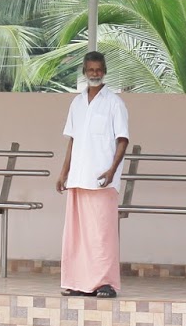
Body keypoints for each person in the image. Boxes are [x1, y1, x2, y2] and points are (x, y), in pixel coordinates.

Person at [55, 51, 130, 298]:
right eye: (90, 70)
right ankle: (78, 282)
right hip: (77, 178)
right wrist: (63, 172)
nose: (95, 74)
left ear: (104, 71)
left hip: (101, 181)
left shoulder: (114, 103)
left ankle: (105, 283)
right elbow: (72, 141)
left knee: (102, 235)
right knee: (77, 236)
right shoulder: (76, 103)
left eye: (98, 69)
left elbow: (123, 140)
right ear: (84, 72)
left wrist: (112, 170)